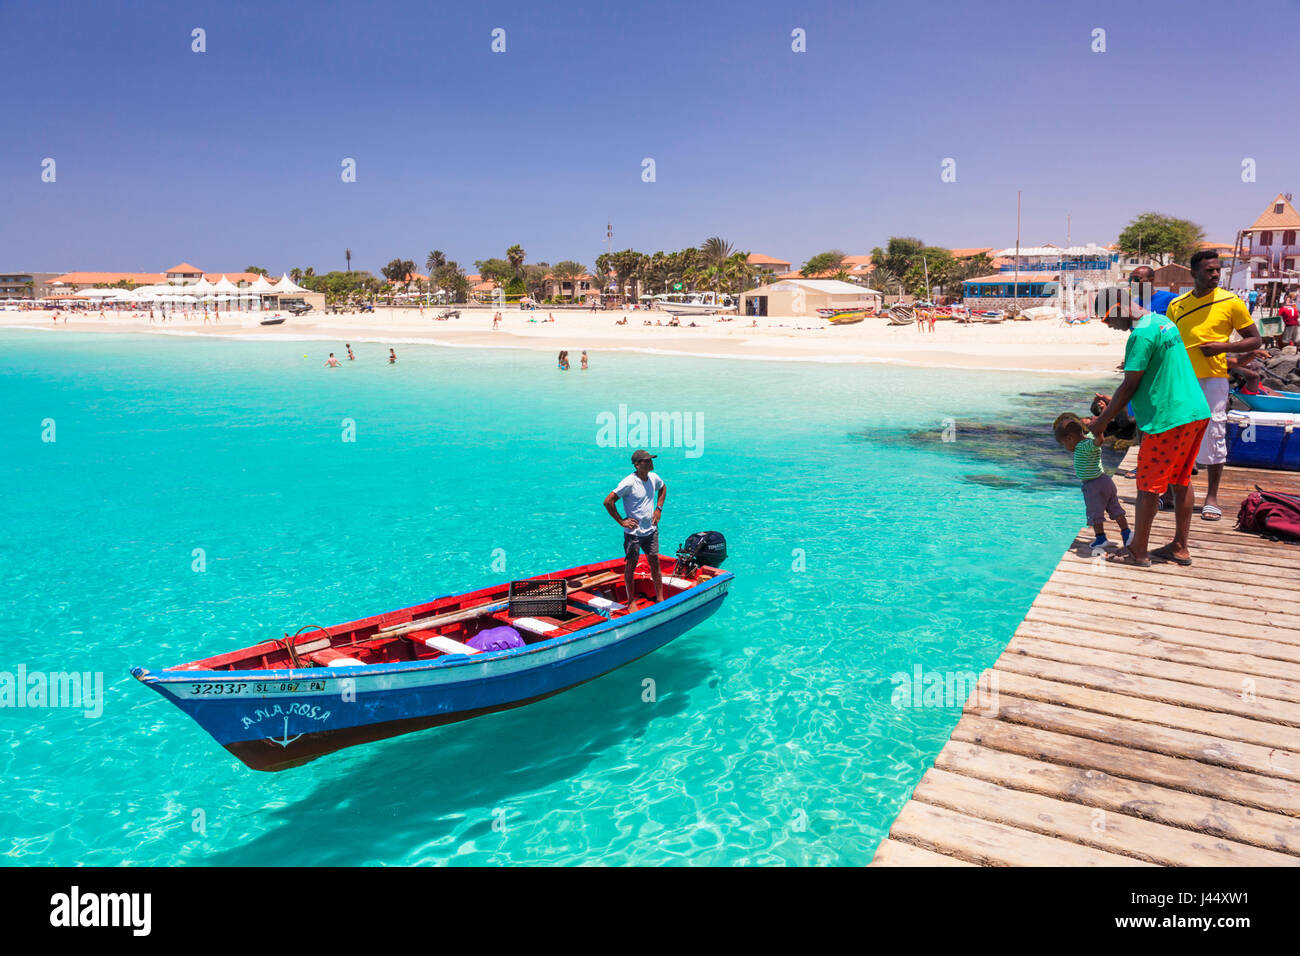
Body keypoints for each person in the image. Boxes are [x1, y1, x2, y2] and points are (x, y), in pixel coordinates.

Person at [1089, 290, 1211, 567]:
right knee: (1180, 480)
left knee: (1148, 485)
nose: (1108, 325)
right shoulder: (1163, 322)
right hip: (1194, 411)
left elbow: (1129, 385)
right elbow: (1157, 376)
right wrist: (1116, 406)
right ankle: (1180, 547)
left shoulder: (1140, 335)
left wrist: (1102, 421)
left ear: (1119, 306)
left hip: (1168, 421)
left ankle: (1138, 551)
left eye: (1107, 317)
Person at [1165, 251, 1261, 521]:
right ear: (1194, 273)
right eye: (1209, 271)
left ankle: (1212, 497)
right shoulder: (1177, 304)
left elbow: (1255, 340)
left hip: (1213, 378)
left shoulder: (1231, 302)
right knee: (1176, 434)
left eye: (1217, 270)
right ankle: (1172, 492)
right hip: (1180, 380)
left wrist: (1225, 349)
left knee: (1215, 431)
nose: (1215, 274)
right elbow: (1170, 343)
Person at [1054, 413, 1132, 552]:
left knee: (1095, 513)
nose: (1065, 447)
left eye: (1064, 444)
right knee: (1115, 508)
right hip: (1105, 481)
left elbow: (1098, 441)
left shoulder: (1083, 446)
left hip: (1093, 485)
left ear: (1070, 438)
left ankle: (1101, 538)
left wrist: (1099, 432)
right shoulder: (1088, 439)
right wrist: (1097, 424)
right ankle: (1126, 533)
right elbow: (1094, 438)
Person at [603, 450, 666, 607]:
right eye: (646, 461)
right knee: (631, 566)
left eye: (650, 460)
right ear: (637, 465)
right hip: (634, 534)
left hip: (651, 530)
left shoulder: (653, 477)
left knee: (655, 563)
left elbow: (663, 488)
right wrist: (621, 521)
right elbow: (608, 501)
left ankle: (660, 598)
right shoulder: (629, 482)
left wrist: (658, 509)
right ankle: (631, 601)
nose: (650, 462)